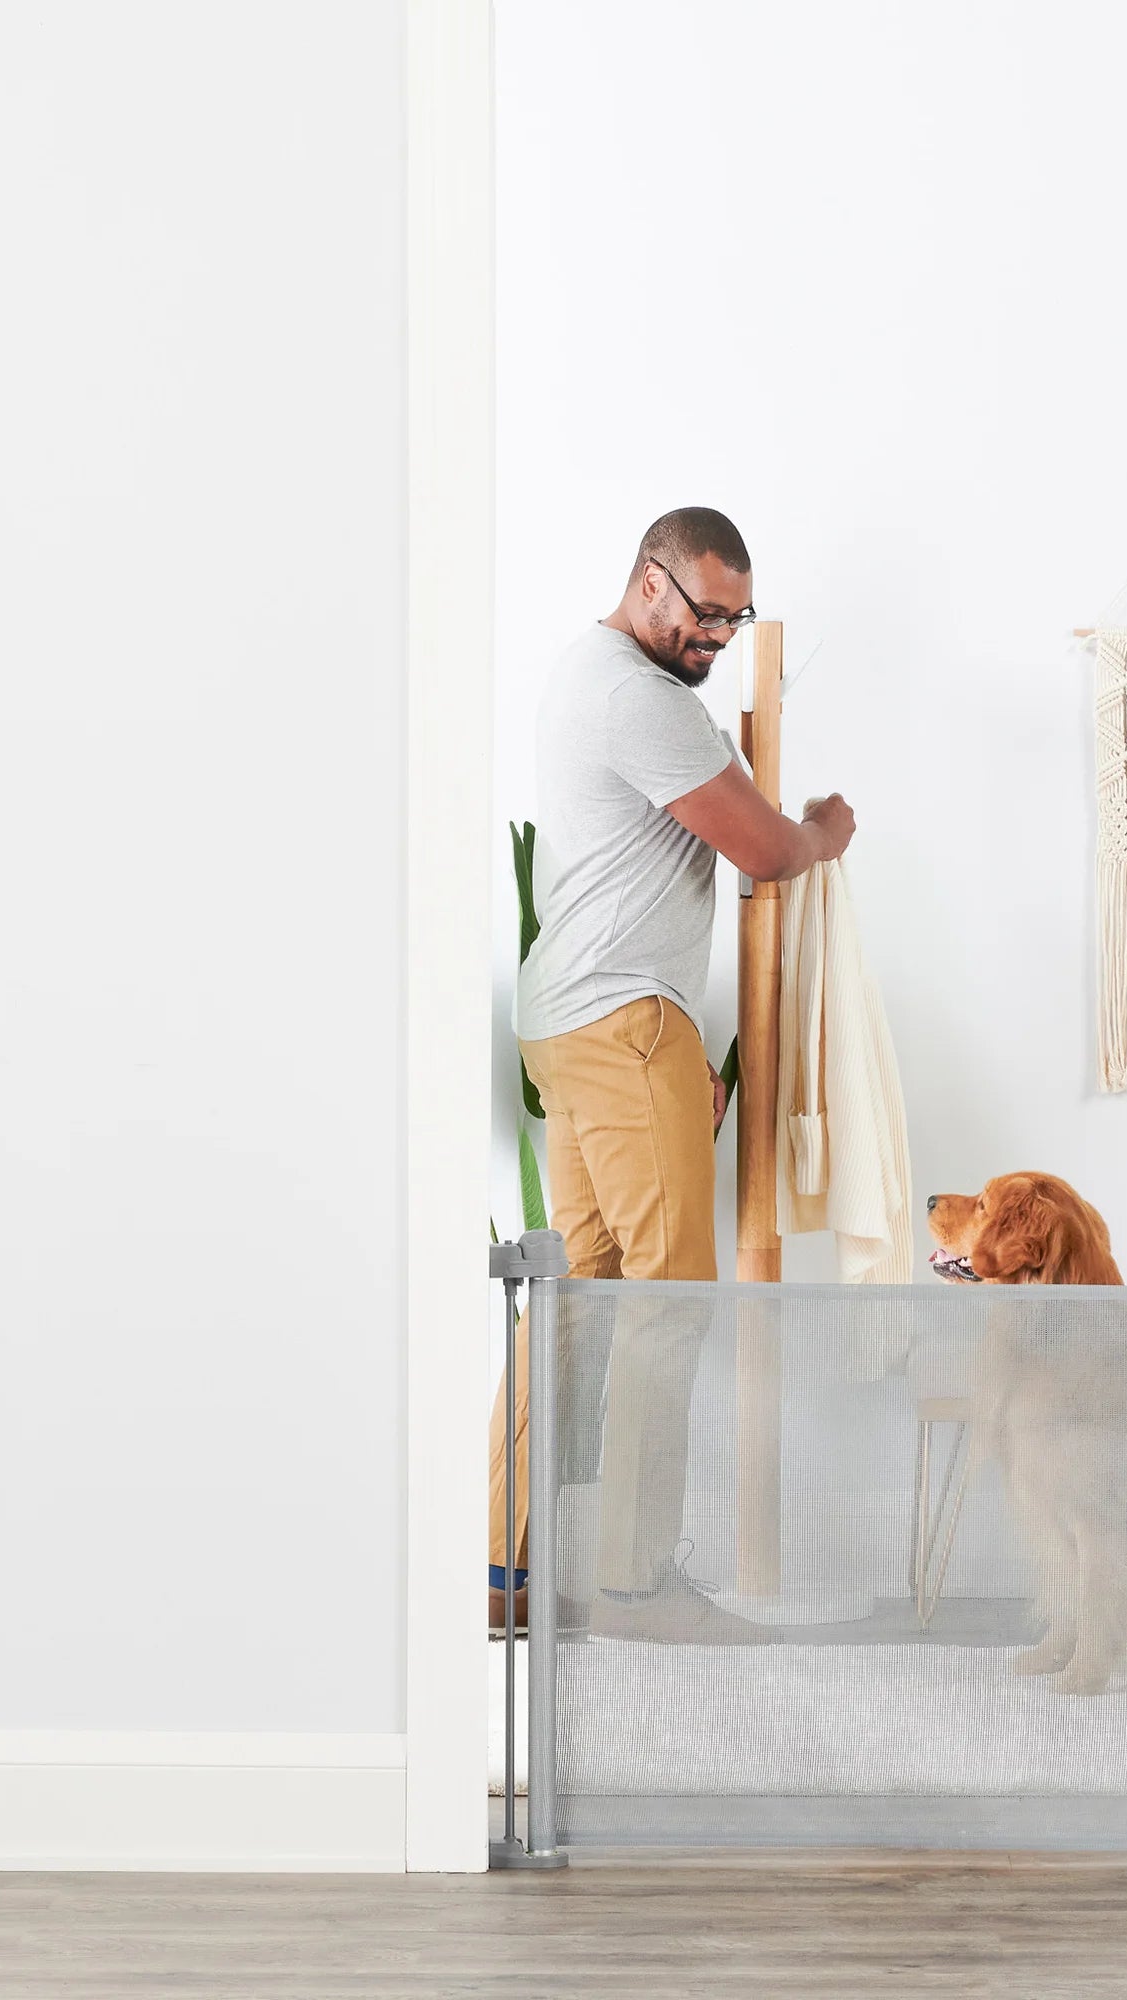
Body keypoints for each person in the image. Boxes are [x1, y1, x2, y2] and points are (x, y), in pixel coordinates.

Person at [488, 506, 855, 1638]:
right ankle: (640, 1584)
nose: (716, 640)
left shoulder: (585, 670)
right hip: (624, 1024)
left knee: (574, 1301)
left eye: (734, 621)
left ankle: (506, 1573)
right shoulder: (639, 700)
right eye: (705, 615)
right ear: (650, 582)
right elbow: (761, 848)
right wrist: (821, 830)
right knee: (664, 1305)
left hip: (567, 1025)